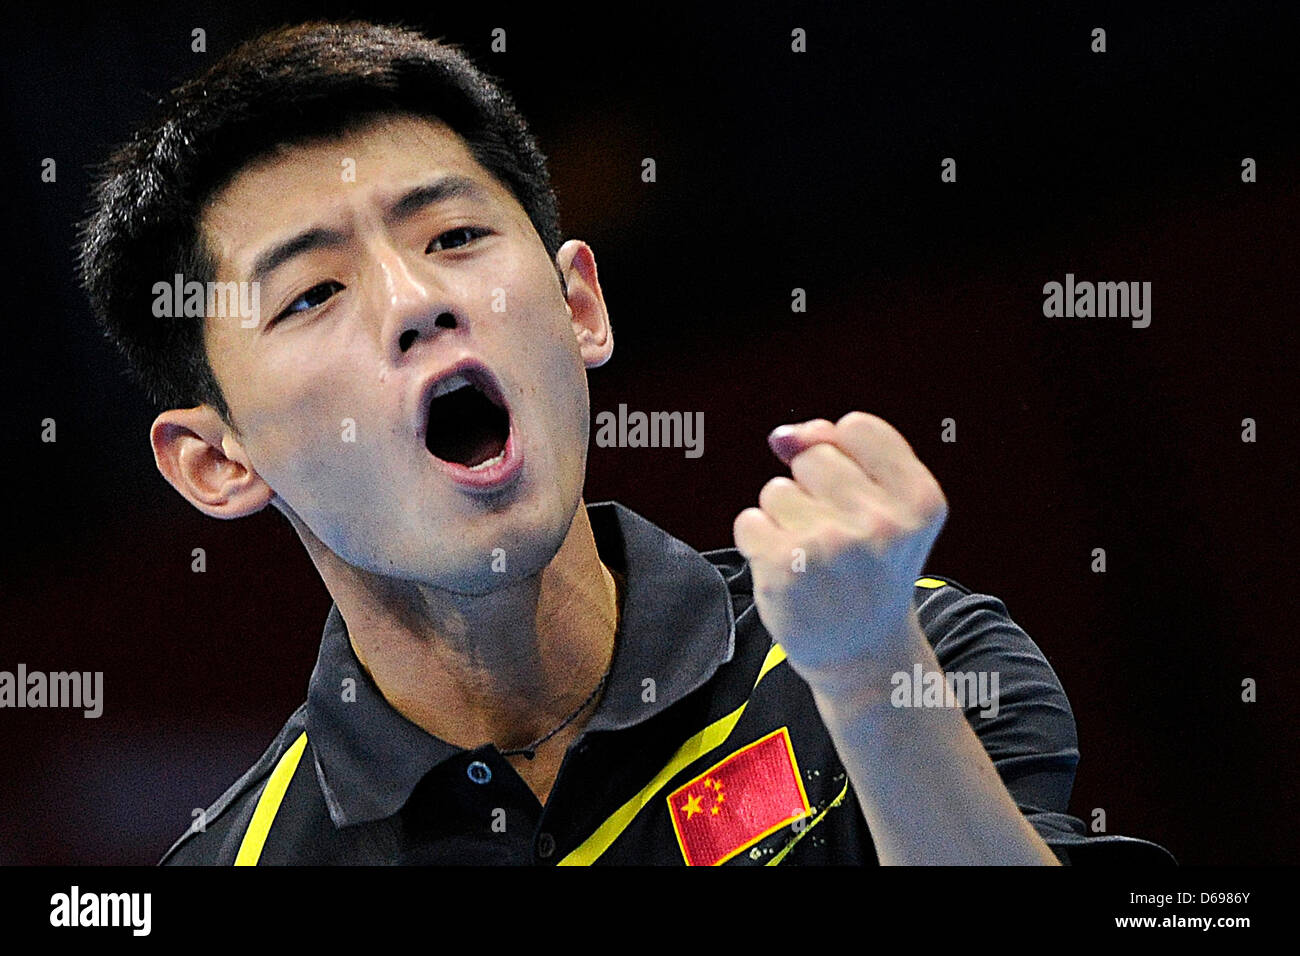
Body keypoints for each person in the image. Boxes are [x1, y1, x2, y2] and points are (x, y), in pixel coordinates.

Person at [78, 20, 1174, 865]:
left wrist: (871, 681)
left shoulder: (904, 657)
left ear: (579, 307)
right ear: (217, 460)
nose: (417, 300)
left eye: (455, 236)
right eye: (313, 292)